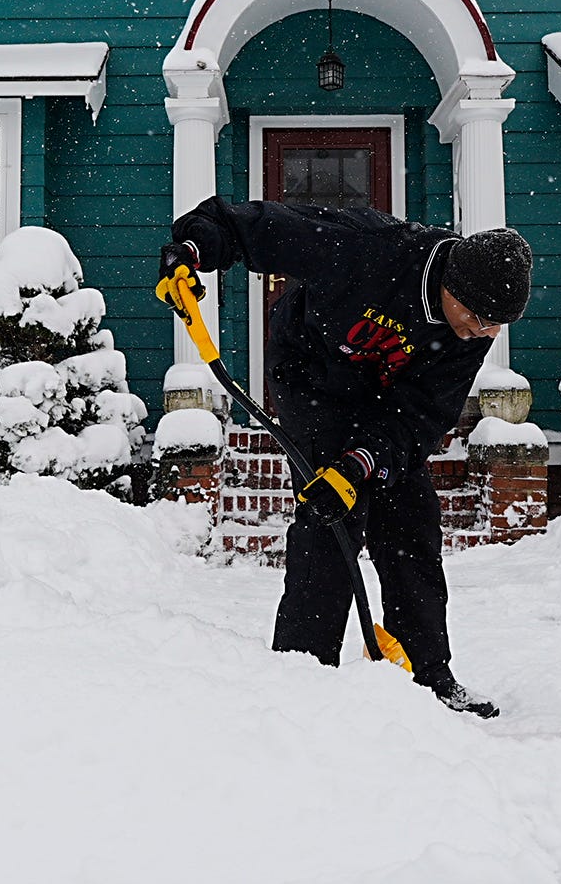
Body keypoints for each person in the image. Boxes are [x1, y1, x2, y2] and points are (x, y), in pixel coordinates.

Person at [159, 198, 533, 718]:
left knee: (412, 525)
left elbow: (422, 417)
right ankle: (302, 671)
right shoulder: (367, 248)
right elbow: (251, 226)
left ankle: (427, 674)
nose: (486, 332)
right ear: (451, 284)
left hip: (389, 406)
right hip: (312, 378)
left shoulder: (469, 333)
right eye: (479, 317)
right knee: (329, 518)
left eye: (498, 325)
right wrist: (194, 250)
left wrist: (361, 463)